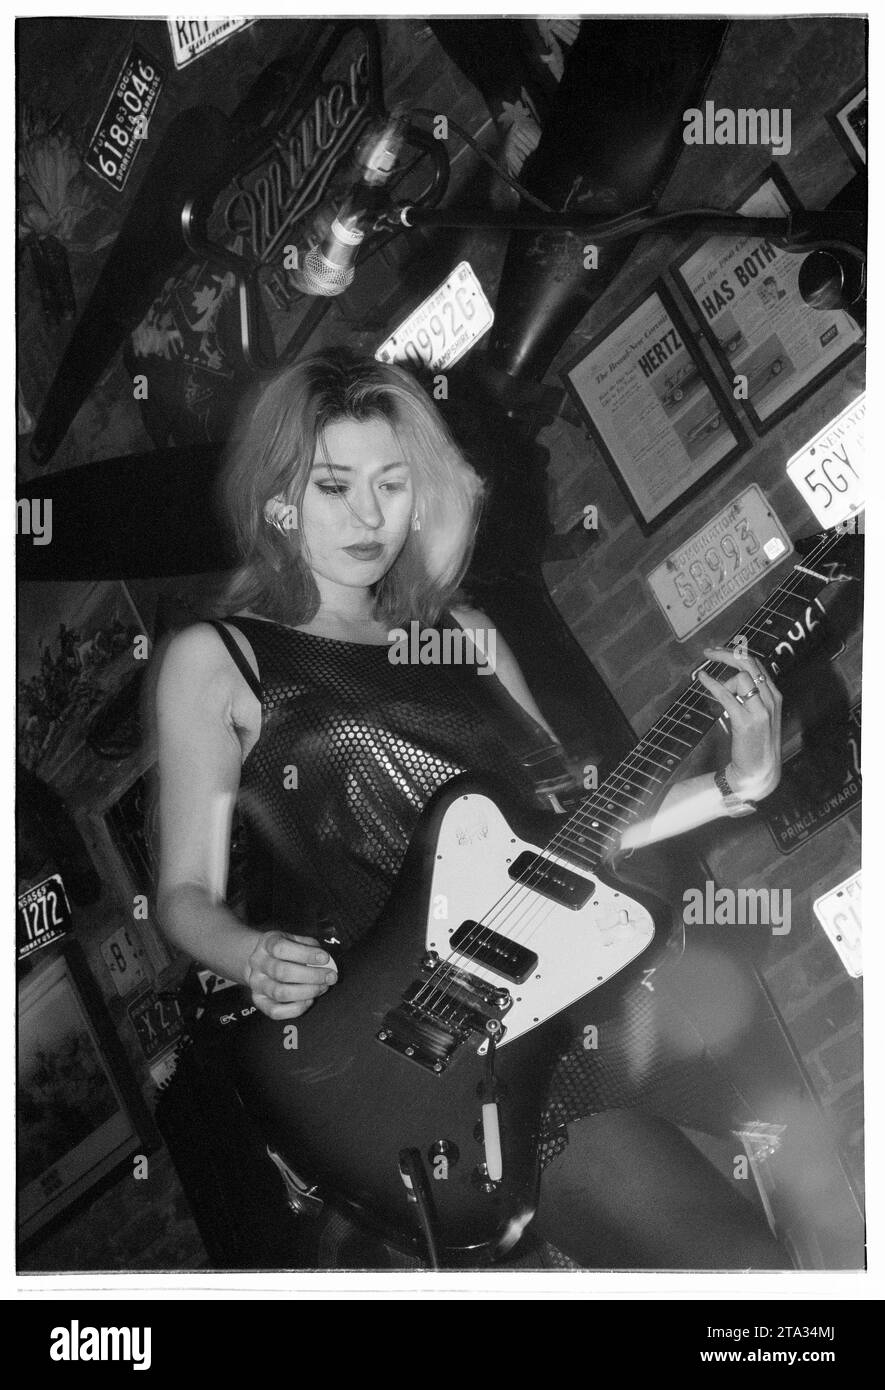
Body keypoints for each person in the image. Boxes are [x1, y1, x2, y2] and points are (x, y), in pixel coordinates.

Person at [154, 346, 787, 1269]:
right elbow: (180, 896)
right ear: (278, 499)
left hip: (575, 1004)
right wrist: (247, 952)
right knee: (745, 1273)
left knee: (793, 1216)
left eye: (392, 483)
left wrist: (734, 785)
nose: (370, 517)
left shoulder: (468, 637)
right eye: (334, 486)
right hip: (423, 1051)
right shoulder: (221, 660)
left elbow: (573, 835)